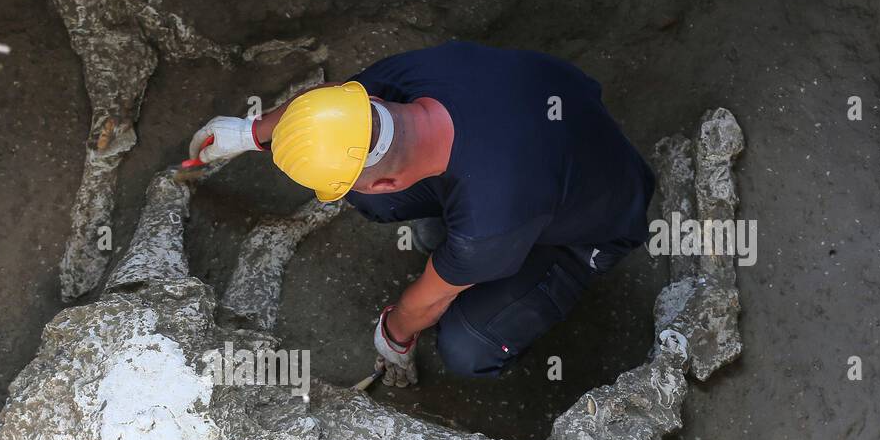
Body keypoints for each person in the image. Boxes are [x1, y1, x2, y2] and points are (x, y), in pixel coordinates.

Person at [187, 41, 656, 387]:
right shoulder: (413, 77)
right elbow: (332, 105)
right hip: (555, 125)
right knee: (377, 202)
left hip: (591, 226)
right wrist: (251, 132)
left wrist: (394, 335)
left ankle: (530, 305)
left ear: (389, 176)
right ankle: (476, 255)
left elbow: (424, 303)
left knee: (466, 346)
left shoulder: (489, 224)